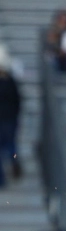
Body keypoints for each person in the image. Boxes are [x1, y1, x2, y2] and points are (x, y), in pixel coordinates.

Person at [0, 48, 20, 189]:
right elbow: (18, 101)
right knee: (10, 145)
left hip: (6, 119)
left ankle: (2, 179)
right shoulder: (11, 81)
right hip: (9, 119)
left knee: (6, 147)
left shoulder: (10, 81)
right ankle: (14, 161)